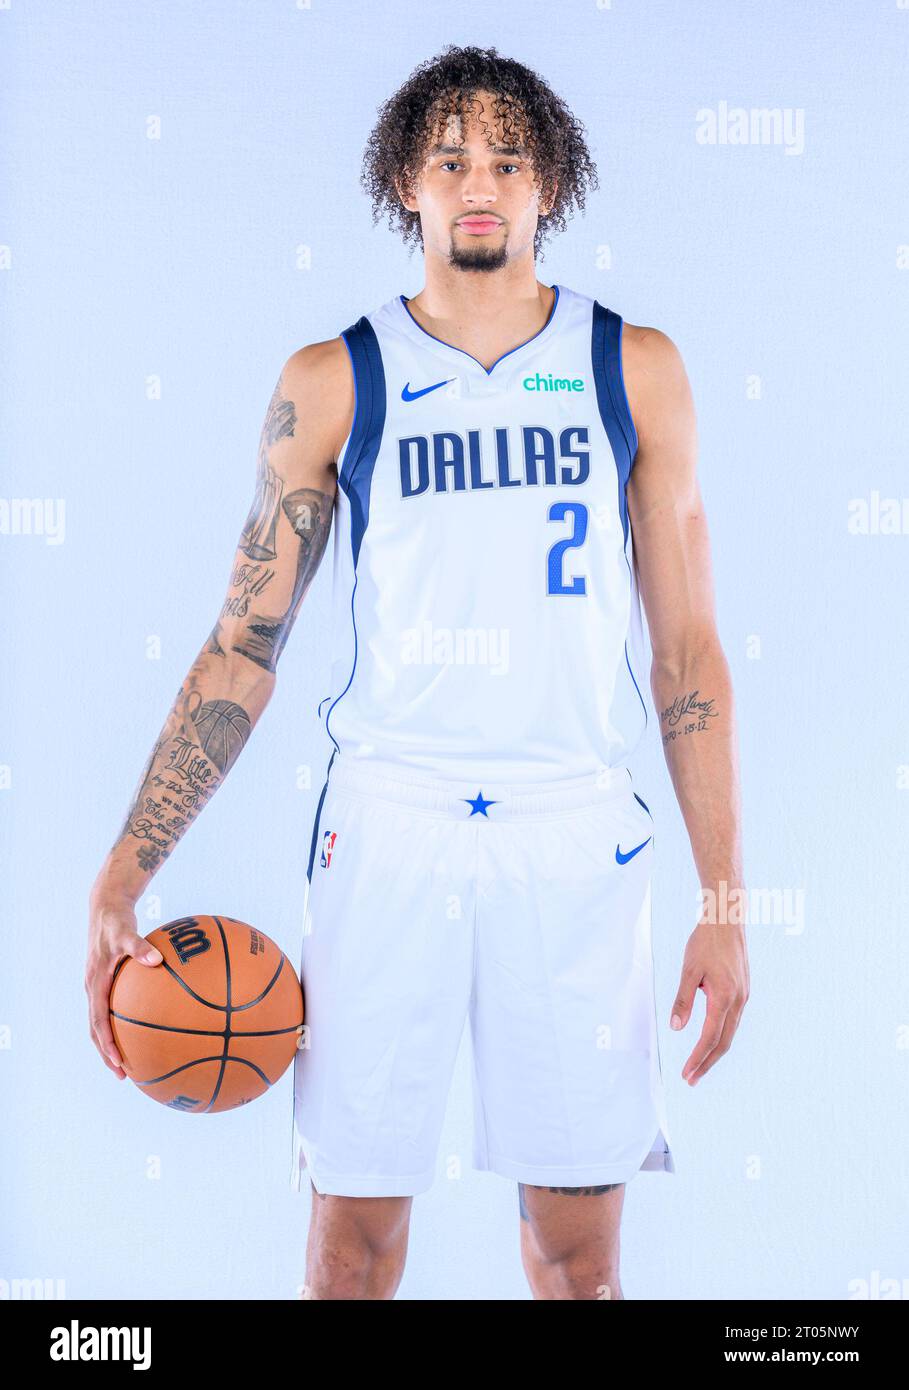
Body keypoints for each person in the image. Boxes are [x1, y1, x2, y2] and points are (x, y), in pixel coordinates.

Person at [87, 44, 749, 1301]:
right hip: (391, 829)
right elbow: (244, 645)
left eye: (507, 158)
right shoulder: (336, 382)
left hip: (575, 831)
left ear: (551, 180)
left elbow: (688, 653)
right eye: (450, 160)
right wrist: (125, 873)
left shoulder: (635, 369)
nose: (479, 183)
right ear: (406, 181)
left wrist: (724, 898)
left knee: (579, 1262)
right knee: (351, 1257)